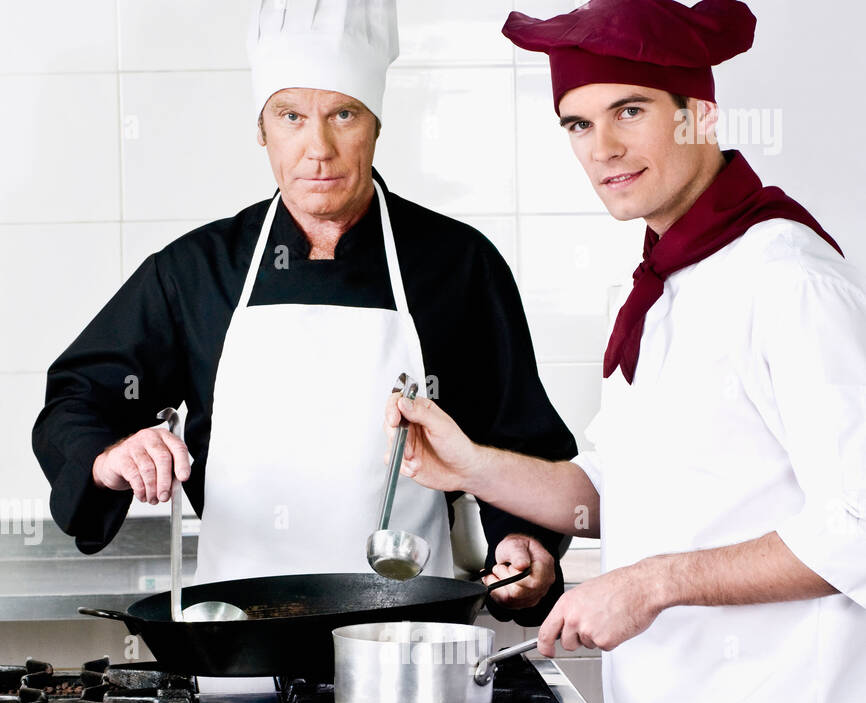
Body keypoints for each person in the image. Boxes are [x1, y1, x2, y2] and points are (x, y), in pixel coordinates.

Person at [383, 0, 866, 703]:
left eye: (631, 111)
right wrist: (472, 464)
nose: (602, 146)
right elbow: (612, 486)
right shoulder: (669, 280)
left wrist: (649, 585)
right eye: (577, 123)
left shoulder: (785, 278)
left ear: (701, 116)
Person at [32, 0, 573, 622]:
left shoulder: (458, 266)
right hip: (234, 635)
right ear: (263, 129)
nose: (318, 149)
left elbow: (518, 440)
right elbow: (77, 400)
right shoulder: (197, 271)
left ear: (374, 124)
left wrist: (520, 543)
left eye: (343, 114)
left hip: (404, 635)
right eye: (291, 116)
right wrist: (108, 458)